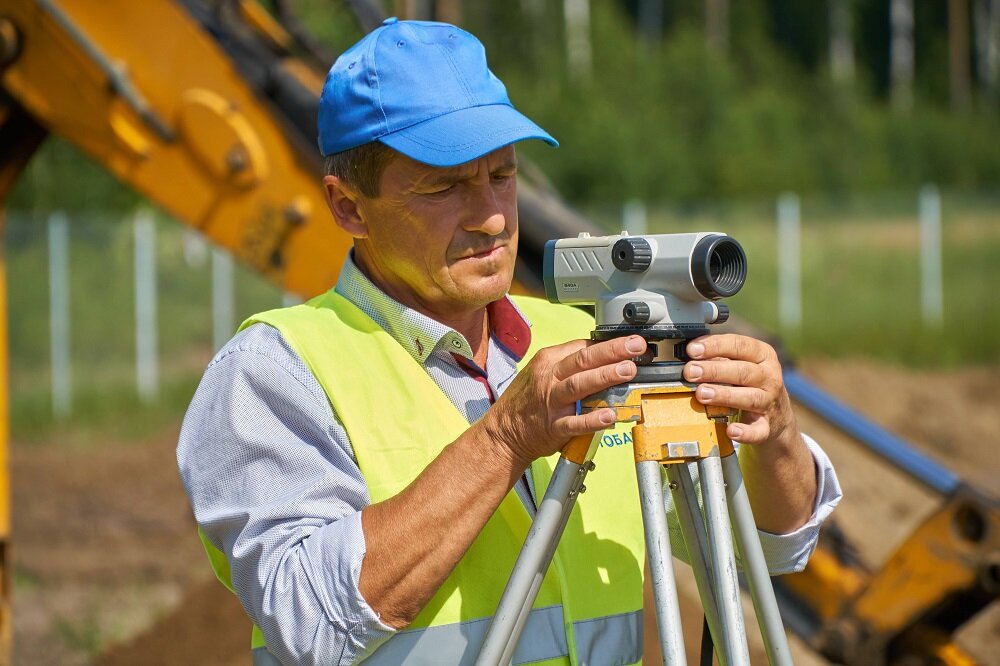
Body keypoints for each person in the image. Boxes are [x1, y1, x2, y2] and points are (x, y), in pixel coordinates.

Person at [178, 18, 841, 666]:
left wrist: (773, 435)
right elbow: (310, 623)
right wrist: (505, 439)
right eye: (446, 185)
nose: (492, 215)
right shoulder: (275, 372)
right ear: (348, 205)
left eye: (502, 175)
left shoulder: (580, 342)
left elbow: (767, 551)